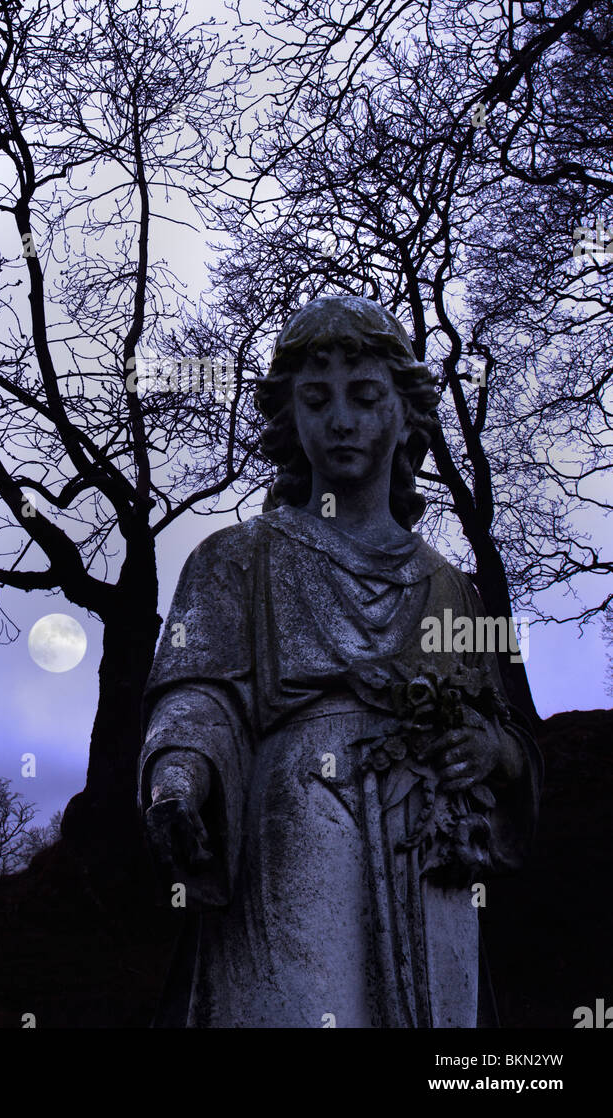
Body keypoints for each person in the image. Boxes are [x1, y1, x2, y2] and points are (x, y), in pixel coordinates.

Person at [139, 295, 540, 1028]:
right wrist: (177, 778)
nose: (342, 421)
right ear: (289, 418)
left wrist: (491, 751)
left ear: (404, 414)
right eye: (316, 400)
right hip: (298, 831)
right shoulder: (236, 559)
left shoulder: (454, 589)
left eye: (365, 396)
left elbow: (507, 731)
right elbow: (197, 697)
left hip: (433, 854)